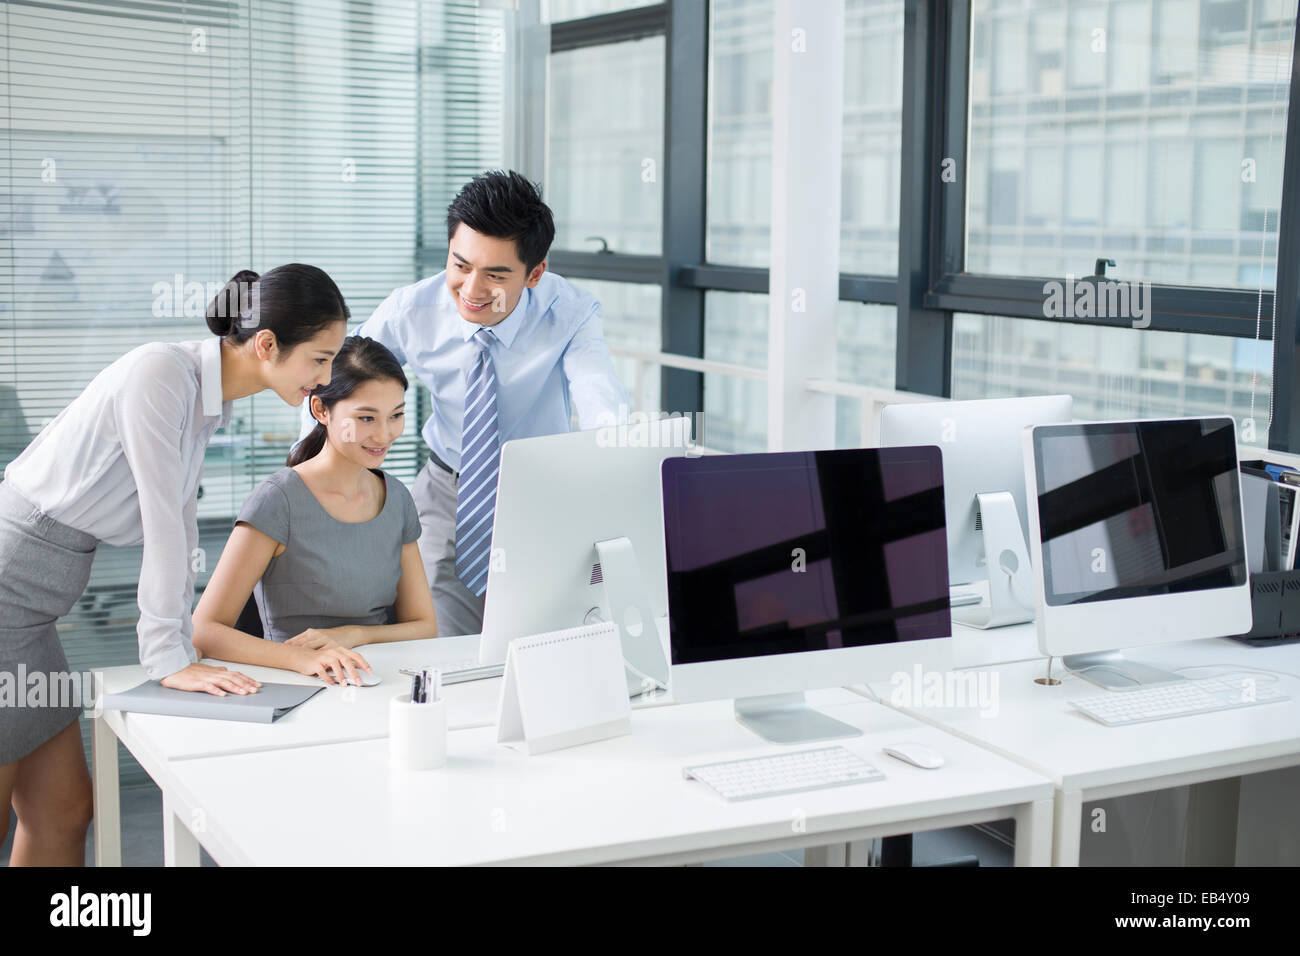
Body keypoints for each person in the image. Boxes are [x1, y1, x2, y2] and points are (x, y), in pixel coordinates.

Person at [0, 263, 349, 865]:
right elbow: (165, 524)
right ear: (267, 345)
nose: (325, 380)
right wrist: (167, 658)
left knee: (63, 810)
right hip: (9, 586)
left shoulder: (209, 400)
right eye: (319, 360)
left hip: (35, 608)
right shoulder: (162, 374)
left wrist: (184, 647)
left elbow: (177, 524)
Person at [296, 170, 629, 636]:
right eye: (460, 266)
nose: (472, 291)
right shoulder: (411, 310)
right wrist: (308, 483)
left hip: (543, 493)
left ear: (535, 273)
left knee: (538, 640)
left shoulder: (570, 313)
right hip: (448, 490)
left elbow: (600, 396)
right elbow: (334, 380)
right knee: (440, 639)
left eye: (495, 275)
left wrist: (613, 463)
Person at [192, 337, 436, 682]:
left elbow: (424, 627)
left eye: (396, 415)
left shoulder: (396, 498)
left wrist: (356, 634)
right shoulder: (278, 500)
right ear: (321, 410)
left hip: (381, 681)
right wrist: (301, 659)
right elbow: (204, 630)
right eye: (366, 418)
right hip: (300, 684)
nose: (384, 435)